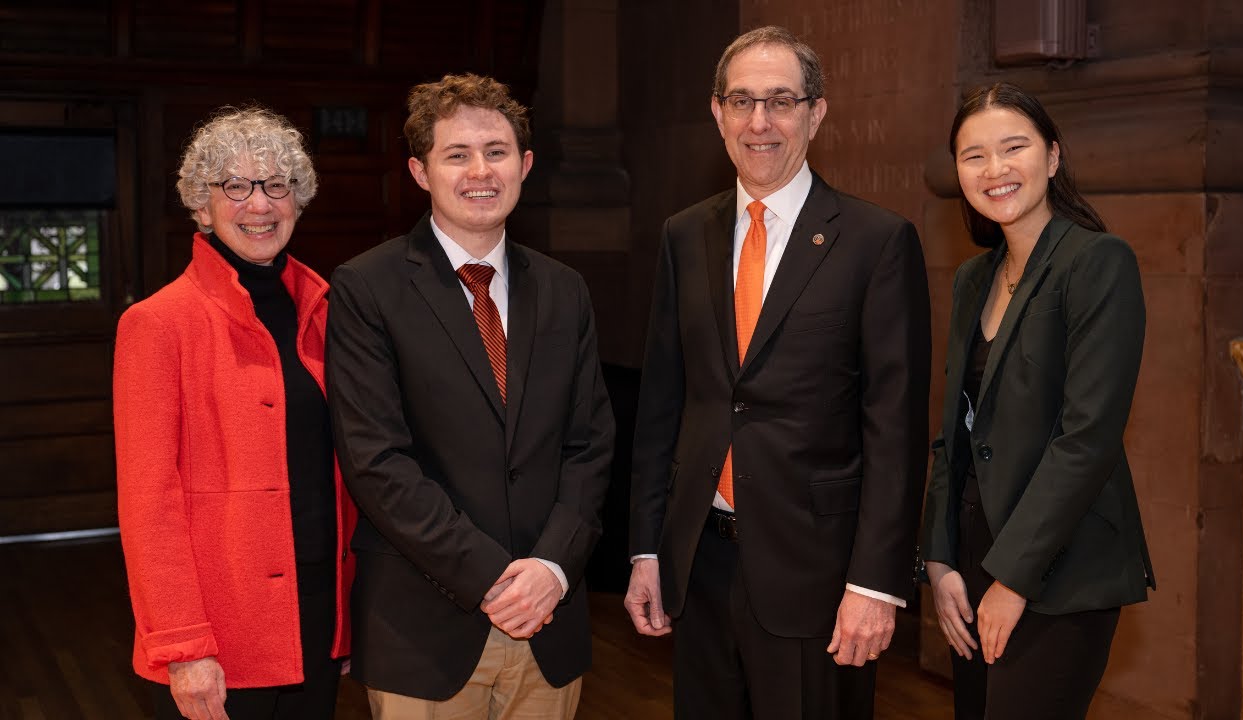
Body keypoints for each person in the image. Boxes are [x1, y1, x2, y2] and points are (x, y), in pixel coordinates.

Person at [625, 26, 932, 720]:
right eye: (742, 101)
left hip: (819, 579)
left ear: (816, 114)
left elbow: (895, 430)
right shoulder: (684, 234)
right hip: (699, 566)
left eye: (781, 101)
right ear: (718, 113)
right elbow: (664, 404)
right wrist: (646, 549)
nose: (759, 122)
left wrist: (875, 584)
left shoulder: (877, 242)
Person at [325, 73, 614, 719]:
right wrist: (492, 578)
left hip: (549, 617)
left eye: (497, 152)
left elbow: (590, 444)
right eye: (457, 154)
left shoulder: (564, 289)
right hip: (425, 630)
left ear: (525, 165)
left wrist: (551, 569)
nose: (480, 171)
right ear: (420, 172)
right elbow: (377, 462)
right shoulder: (367, 288)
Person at [919, 82, 1156, 720]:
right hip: (972, 553)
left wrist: (1015, 577)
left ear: (1052, 157)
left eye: (1013, 148)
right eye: (973, 156)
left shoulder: (1098, 262)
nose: (994, 169)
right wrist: (939, 555)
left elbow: (1087, 439)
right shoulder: (973, 278)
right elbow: (953, 432)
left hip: (1060, 561)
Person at [114, 106, 357, 720]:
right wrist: (183, 646)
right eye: (236, 186)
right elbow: (148, 504)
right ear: (202, 206)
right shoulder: (157, 324)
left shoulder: (329, 313)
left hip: (319, 610)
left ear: (298, 199)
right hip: (220, 631)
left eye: (277, 184)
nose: (260, 204)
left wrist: (349, 616)